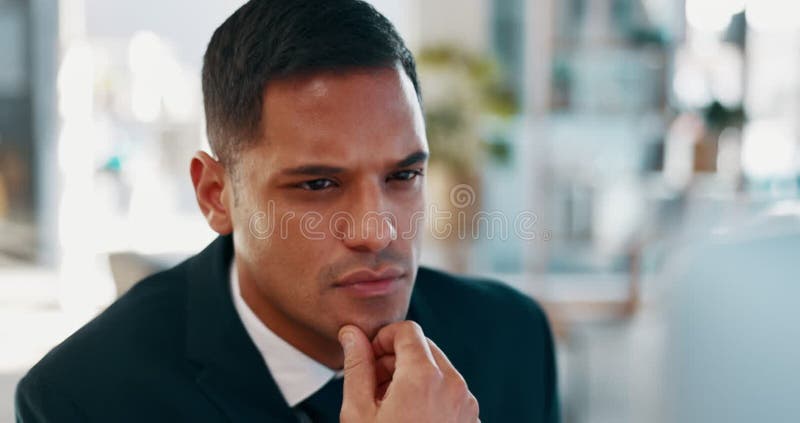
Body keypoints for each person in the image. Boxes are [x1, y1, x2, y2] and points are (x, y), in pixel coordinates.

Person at [15, 1, 559, 422]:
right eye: (319, 184)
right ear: (214, 195)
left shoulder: (512, 339)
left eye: (403, 176)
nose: (376, 230)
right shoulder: (81, 399)